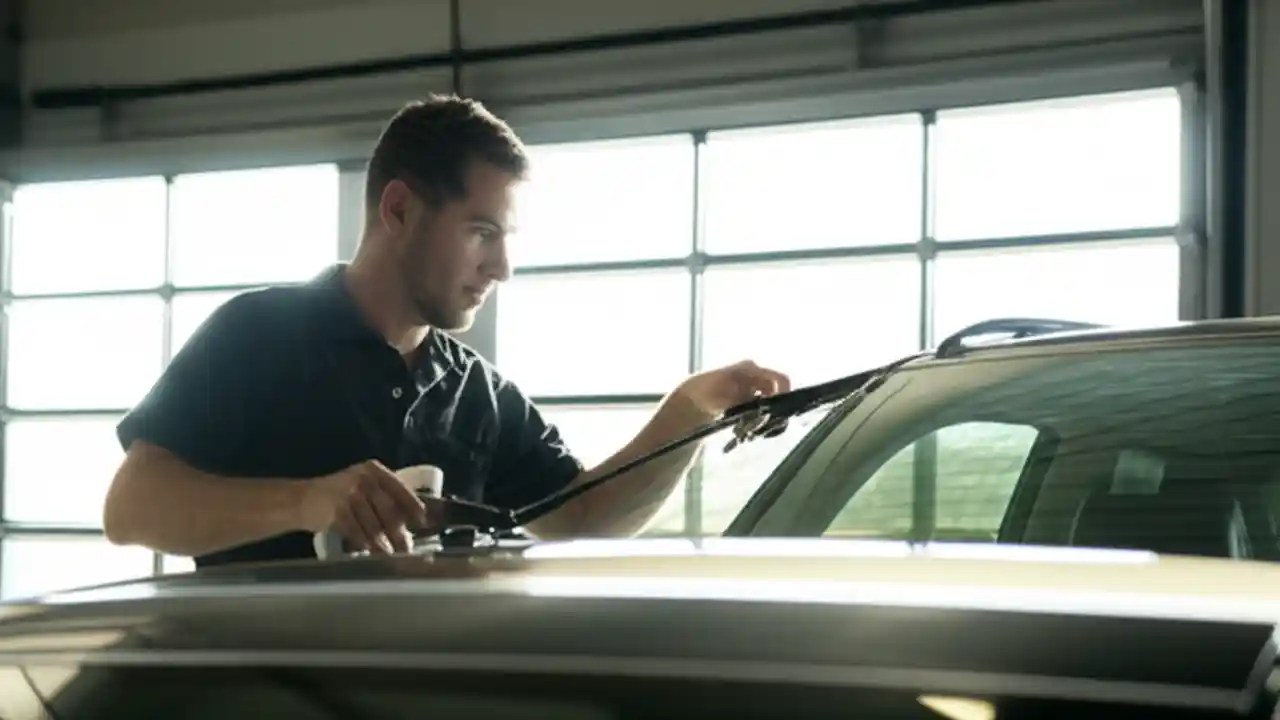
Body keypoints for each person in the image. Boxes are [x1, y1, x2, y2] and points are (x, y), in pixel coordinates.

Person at [102, 95, 790, 568]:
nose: (503, 266)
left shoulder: (480, 393)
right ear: (398, 209)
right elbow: (130, 508)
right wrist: (308, 501)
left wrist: (690, 410)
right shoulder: (256, 334)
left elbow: (579, 520)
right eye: (482, 232)